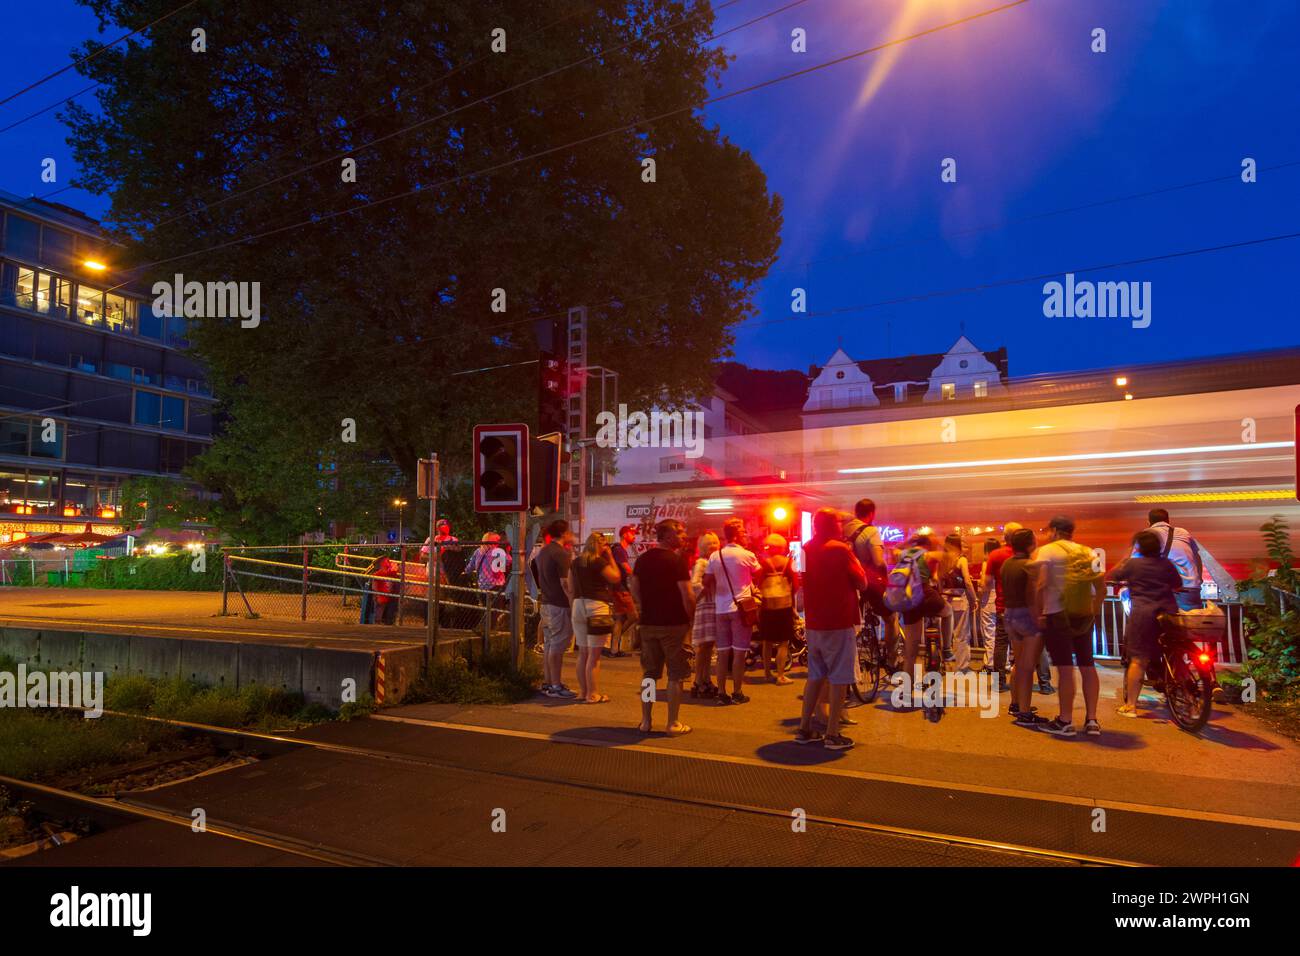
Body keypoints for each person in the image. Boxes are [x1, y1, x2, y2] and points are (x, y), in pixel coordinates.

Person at [795, 509, 868, 750]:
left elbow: (801, 580)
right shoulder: (841, 550)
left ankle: (804, 728)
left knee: (815, 676)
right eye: (838, 521)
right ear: (832, 525)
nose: (841, 524)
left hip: (814, 622)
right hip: (839, 620)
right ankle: (832, 734)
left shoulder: (804, 549)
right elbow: (862, 582)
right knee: (839, 678)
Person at [1029, 515, 1106, 737]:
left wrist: (1039, 614)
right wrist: (1093, 611)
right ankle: (1092, 720)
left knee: (1065, 669)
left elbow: (1040, 584)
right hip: (1084, 615)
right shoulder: (1089, 552)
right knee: (1088, 666)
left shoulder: (1048, 551)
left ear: (1054, 530)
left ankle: (1065, 720)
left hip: (1057, 615)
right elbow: (1101, 587)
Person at [1107, 530, 1183, 718]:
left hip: (1144, 615)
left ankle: (1131, 706)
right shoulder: (1167, 564)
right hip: (1169, 615)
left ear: (1139, 547)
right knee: (1175, 653)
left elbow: (1112, 576)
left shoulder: (1133, 564)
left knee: (1138, 660)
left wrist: (1126, 557)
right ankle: (1182, 692)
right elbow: (1178, 585)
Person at [630, 519, 695, 736]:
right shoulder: (676, 561)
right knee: (676, 675)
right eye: (680, 532)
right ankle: (673, 723)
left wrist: (644, 606)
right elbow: (687, 595)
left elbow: (634, 587)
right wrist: (690, 619)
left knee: (649, 675)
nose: (683, 536)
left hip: (648, 624)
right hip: (674, 624)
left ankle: (646, 720)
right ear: (668, 536)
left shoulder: (642, 560)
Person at [704, 517, 761, 705]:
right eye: (743, 531)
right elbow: (760, 574)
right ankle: (737, 692)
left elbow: (706, 581)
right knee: (739, 653)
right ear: (736, 534)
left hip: (721, 610)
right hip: (740, 609)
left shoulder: (715, 556)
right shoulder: (747, 555)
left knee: (722, 654)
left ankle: (721, 693)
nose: (746, 534)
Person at [842, 498, 897, 665]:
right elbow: (879, 562)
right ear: (872, 513)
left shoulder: (844, 529)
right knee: (891, 618)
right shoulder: (871, 531)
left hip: (847, 583)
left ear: (856, 512)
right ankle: (892, 660)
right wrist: (887, 574)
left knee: (849, 625)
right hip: (868, 582)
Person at [1003, 528, 1050, 726]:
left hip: (1009, 615)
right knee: (1028, 666)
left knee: (1018, 662)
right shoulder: (1030, 566)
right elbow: (1032, 595)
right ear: (1030, 544)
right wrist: (1038, 617)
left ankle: (1015, 703)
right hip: (1026, 617)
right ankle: (1024, 712)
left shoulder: (1007, 564)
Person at [896, 533, 949, 701]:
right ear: (927, 544)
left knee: (910, 652)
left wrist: (907, 542)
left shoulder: (903, 554)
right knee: (948, 612)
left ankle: (906, 691)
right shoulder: (928, 555)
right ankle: (947, 648)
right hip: (925, 595)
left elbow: (894, 550)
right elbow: (946, 558)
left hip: (909, 600)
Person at [569, 533, 621, 704]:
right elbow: (616, 577)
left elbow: (570, 588)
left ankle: (583, 692)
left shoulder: (575, 562)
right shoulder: (599, 562)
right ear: (600, 544)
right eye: (605, 544)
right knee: (594, 655)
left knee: (583, 653)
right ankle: (592, 694)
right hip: (596, 606)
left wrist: (573, 606)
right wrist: (610, 557)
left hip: (578, 606)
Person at [532, 520, 577, 700]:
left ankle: (548, 682)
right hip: (559, 604)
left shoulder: (543, 552)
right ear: (564, 533)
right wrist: (573, 604)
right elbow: (565, 583)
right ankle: (556, 686)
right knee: (558, 646)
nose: (571, 535)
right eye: (570, 532)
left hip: (546, 602)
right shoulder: (561, 554)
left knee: (550, 644)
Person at [1136, 509, 1204, 610]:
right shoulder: (1183, 532)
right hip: (1190, 587)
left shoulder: (1147, 535)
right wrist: (1199, 578)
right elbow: (1197, 557)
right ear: (1168, 520)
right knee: (1192, 618)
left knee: (1157, 617)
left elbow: (1136, 561)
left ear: (1149, 521)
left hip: (1163, 589)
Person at [755, 533, 799, 684]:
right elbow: (795, 584)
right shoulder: (789, 562)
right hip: (784, 607)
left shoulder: (764, 564)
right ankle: (780, 675)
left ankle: (767, 673)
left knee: (767, 642)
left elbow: (758, 583)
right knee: (783, 642)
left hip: (767, 607)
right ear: (782, 547)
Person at [937, 533, 980, 671]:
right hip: (959, 599)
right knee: (961, 633)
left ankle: (945, 663)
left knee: (946, 633)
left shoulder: (942, 559)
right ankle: (962, 666)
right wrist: (974, 598)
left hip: (944, 599)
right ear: (957, 544)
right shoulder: (961, 560)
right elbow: (967, 582)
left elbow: (939, 581)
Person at [689, 532, 721, 698]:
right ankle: (698, 681)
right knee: (703, 647)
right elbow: (694, 583)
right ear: (702, 547)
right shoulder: (702, 563)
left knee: (708, 647)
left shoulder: (713, 562)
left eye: (715, 542)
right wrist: (705, 590)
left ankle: (705, 679)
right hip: (706, 607)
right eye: (709, 544)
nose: (713, 546)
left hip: (713, 606)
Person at [466, 532, 510, 632]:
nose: (499, 542)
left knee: (487, 610)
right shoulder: (498, 552)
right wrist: (507, 551)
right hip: (496, 586)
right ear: (493, 541)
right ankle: (489, 633)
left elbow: (469, 568)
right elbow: (508, 562)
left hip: (482, 586)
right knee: (495, 612)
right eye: (498, 540)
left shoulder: (478, 551)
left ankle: (485, 630)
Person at [608, 525, 639, 658]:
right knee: (633, 616)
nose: (634, 536)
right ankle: (614, 644)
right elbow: (627, 569)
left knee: (620, 618)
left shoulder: (619, 550)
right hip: (620, 589)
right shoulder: (619, 550)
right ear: (625, 534)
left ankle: (614, 648)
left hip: (617, 588)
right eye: (632, 534)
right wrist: (639, 577)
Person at [976, 538, 1000, 670]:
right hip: (1000, 599)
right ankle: (1003, 663)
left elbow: (985, 584)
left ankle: (990, 663)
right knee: (1001, 634)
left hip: (988, 600)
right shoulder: (1002, 561)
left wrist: (979, 584)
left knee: (989, 632)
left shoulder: (988, 563)